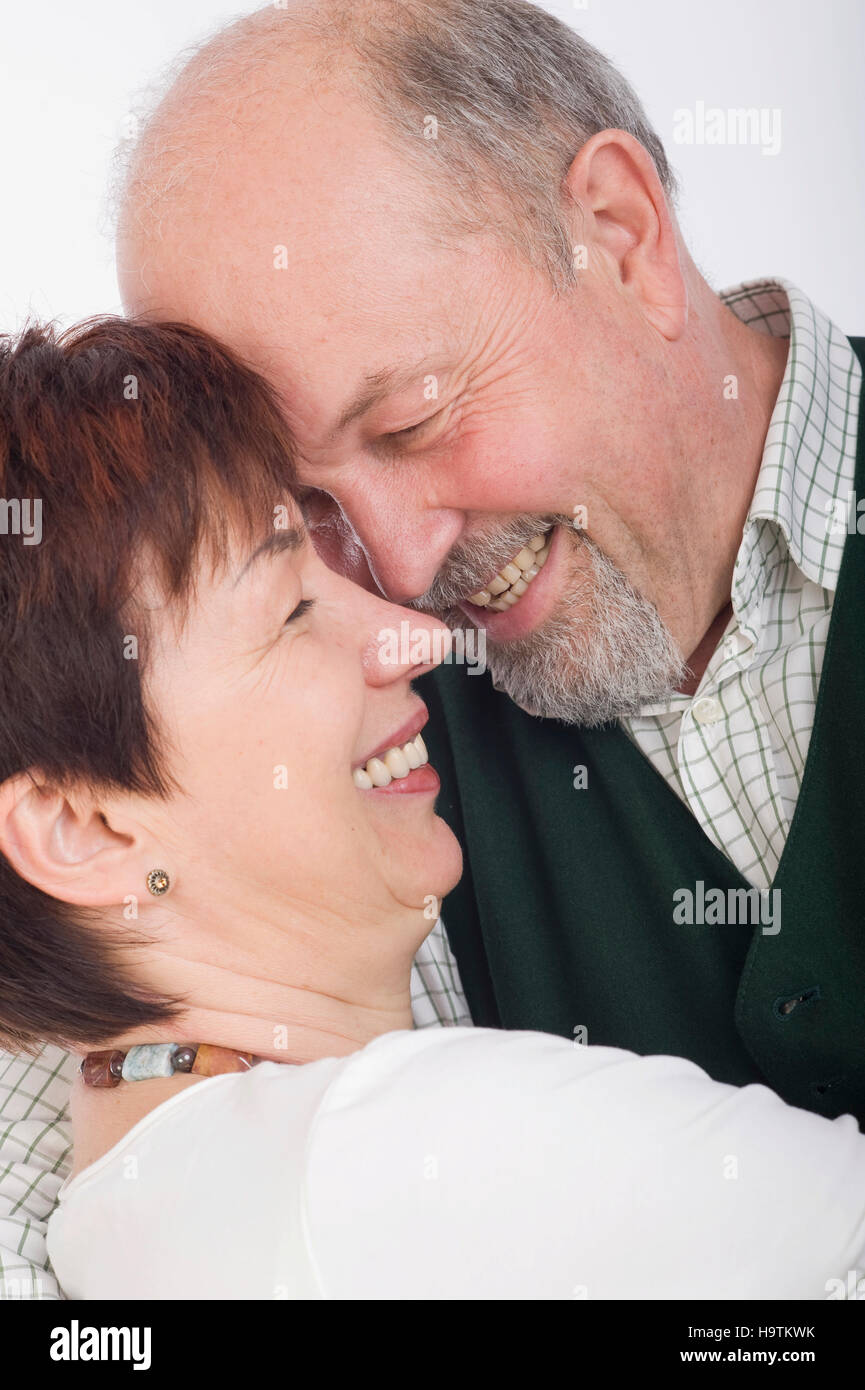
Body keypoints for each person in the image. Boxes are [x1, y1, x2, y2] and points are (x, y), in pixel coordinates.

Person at [0, 316, 863, 1301]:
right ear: (85, 831)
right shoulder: (412, 1146)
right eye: (290, 612)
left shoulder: (115, 1222)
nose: (414, 633)